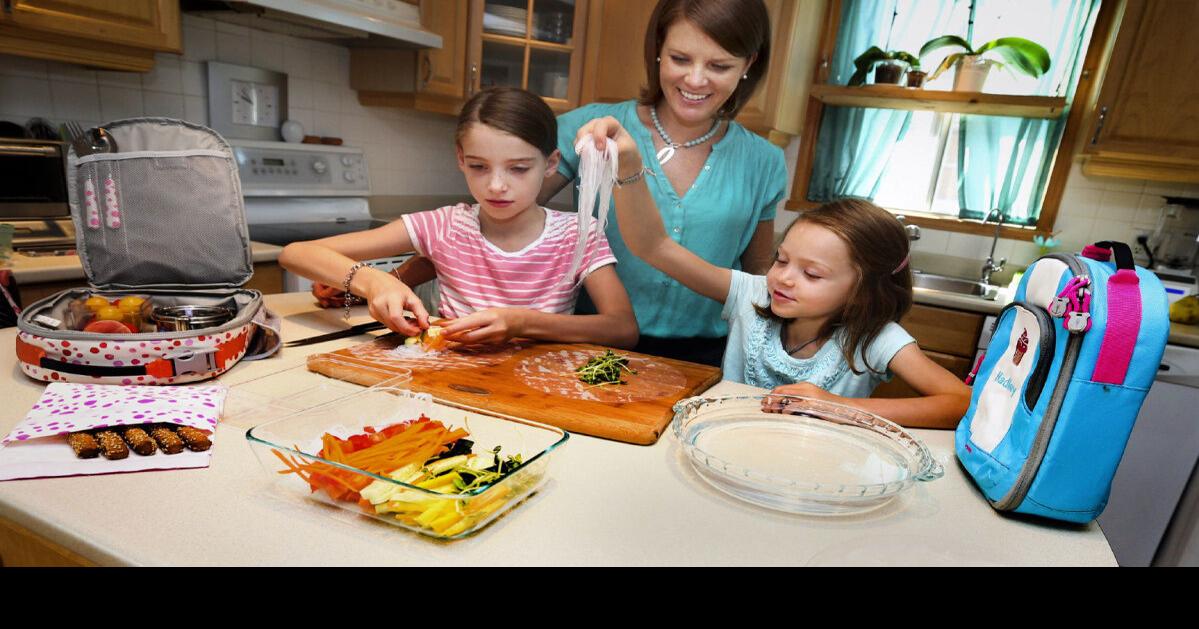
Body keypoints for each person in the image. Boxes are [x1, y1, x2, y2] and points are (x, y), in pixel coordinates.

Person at [573, 119, 969, 426]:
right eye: (781, 260)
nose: (783, 278)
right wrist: (626, 161)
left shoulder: (875, 339)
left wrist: (837, 406)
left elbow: (959, 403)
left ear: (861, 291)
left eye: (812, 274)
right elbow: (653, 245)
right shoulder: (751, 294)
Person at [279, 87, 638, 349]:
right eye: (479, 166)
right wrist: (375, 283)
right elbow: (295, 253)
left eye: (518, 168)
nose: (496, 185)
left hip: (542, 391)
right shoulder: (445, 226)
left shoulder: (578, 233)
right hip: (447, 383)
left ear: (551, 164)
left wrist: (521, 323)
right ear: (461, 159)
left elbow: (621, 328)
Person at [541, 0, 786, 367]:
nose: (695, 80)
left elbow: (758, 280)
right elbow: (508, 212)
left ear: (748, 64)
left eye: (719, 65)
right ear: (658, 50)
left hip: (706, 361)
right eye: (680, 59)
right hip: (590, 343)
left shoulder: (764, 161)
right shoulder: (592, 127)